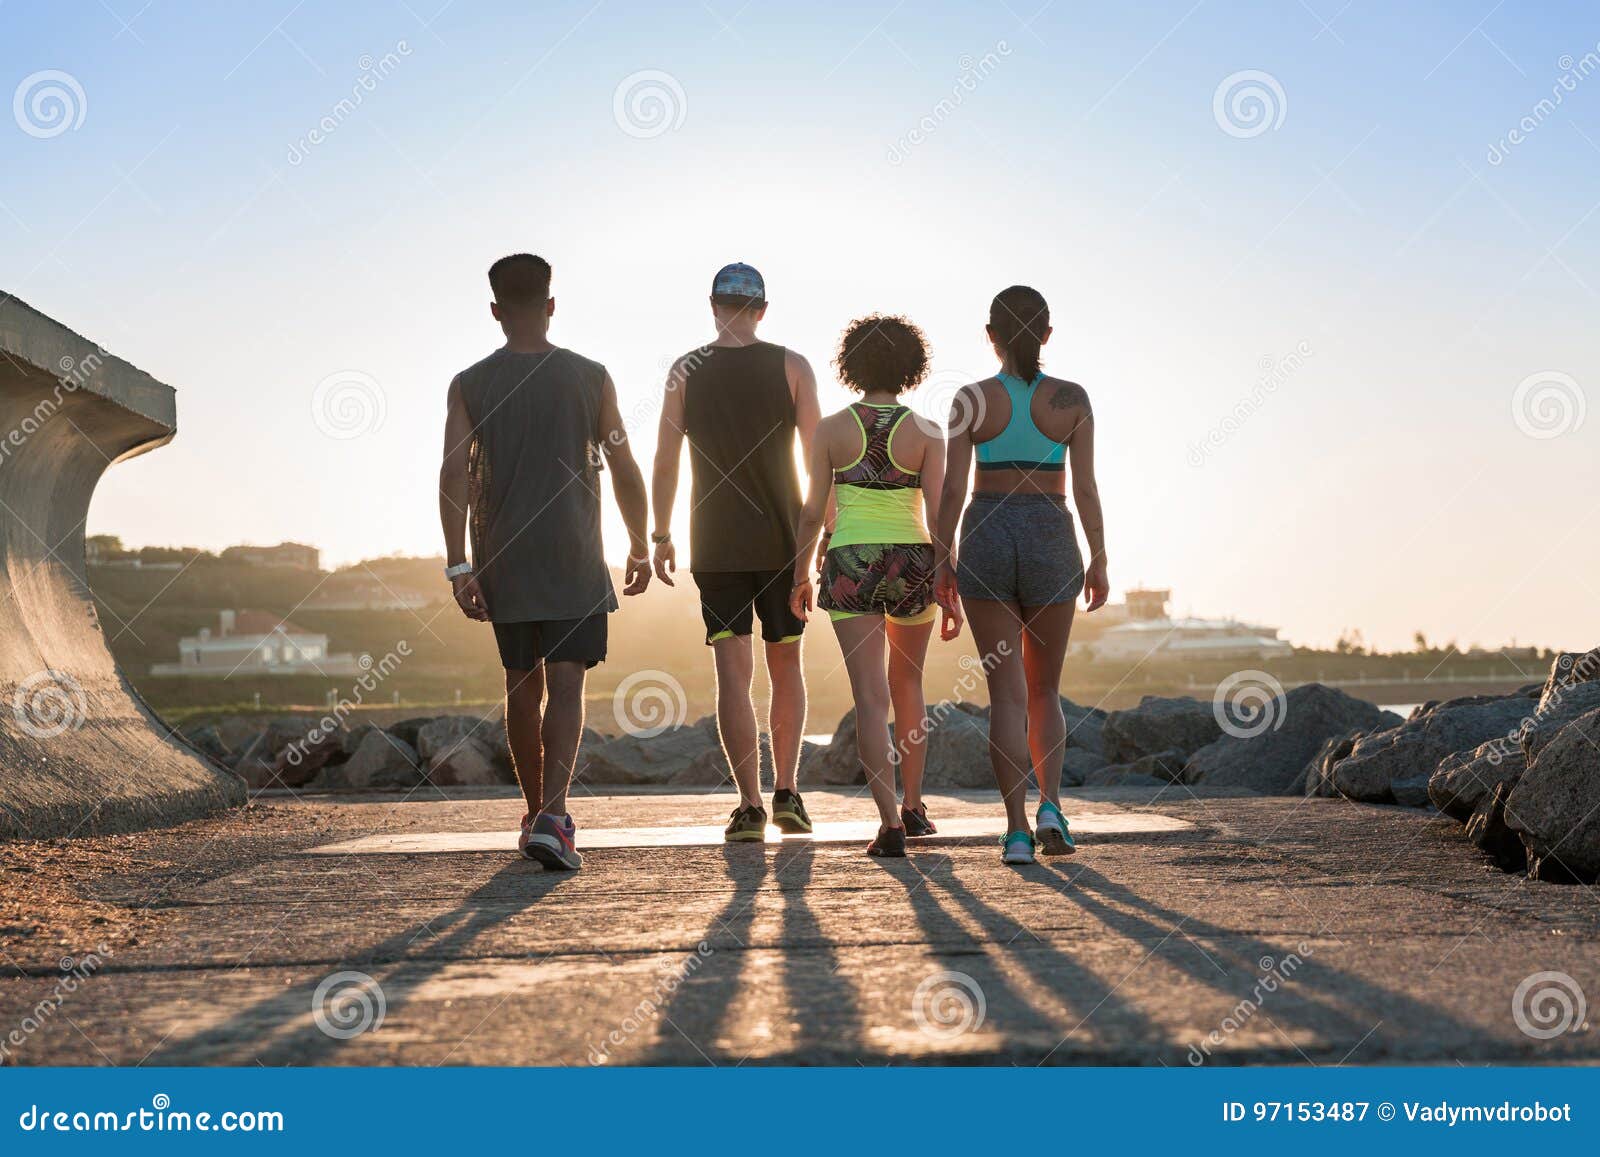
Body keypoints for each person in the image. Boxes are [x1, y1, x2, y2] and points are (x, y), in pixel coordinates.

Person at [439, 253, 650, 870]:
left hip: (503, 558)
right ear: (552, 305)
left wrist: (458, 565)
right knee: (567, 684)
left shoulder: (469, 383)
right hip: (576, 556)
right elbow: (624, 464)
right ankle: (555, 818)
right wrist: (640, 541)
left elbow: (452, 472)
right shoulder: (591, 376)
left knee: (520, 685)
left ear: (496, 311)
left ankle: (535, 814)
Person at [934, 285, 1108, 866]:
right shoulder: (1073, 399)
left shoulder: (971, 400)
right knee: (1044, 689)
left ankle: (1015, 833)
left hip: (985, 530)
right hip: (1052, 533)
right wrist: (1100, 556)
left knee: (1005, 695)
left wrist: (942, 560)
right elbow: (1084, 488)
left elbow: (953, 490)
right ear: (1047, 334)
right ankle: (1052, 806)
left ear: (991, 335)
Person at [651, 263, 821, 843]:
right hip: (783, 541)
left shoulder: (685, 370)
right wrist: (814, 546)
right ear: (763, 309)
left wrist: (659, 534)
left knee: (733, 674)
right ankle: (788, 793)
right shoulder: (793, 366)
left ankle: (749, 806)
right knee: (786, 665)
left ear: (712, 305)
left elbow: (666, 460)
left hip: (716, 543)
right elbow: (819, 462)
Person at [790, 315, 961, 857]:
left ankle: (887, 822)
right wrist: (947, 579)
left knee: (869, 695)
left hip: (850, 562)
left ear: (852, 364)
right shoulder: (929, 432)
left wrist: (800, 572)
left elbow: (814, 509)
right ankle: (914, 807)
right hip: (912, 560)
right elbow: (939, 518)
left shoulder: (832, 430)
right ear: (912, 366)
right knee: (908, 687)